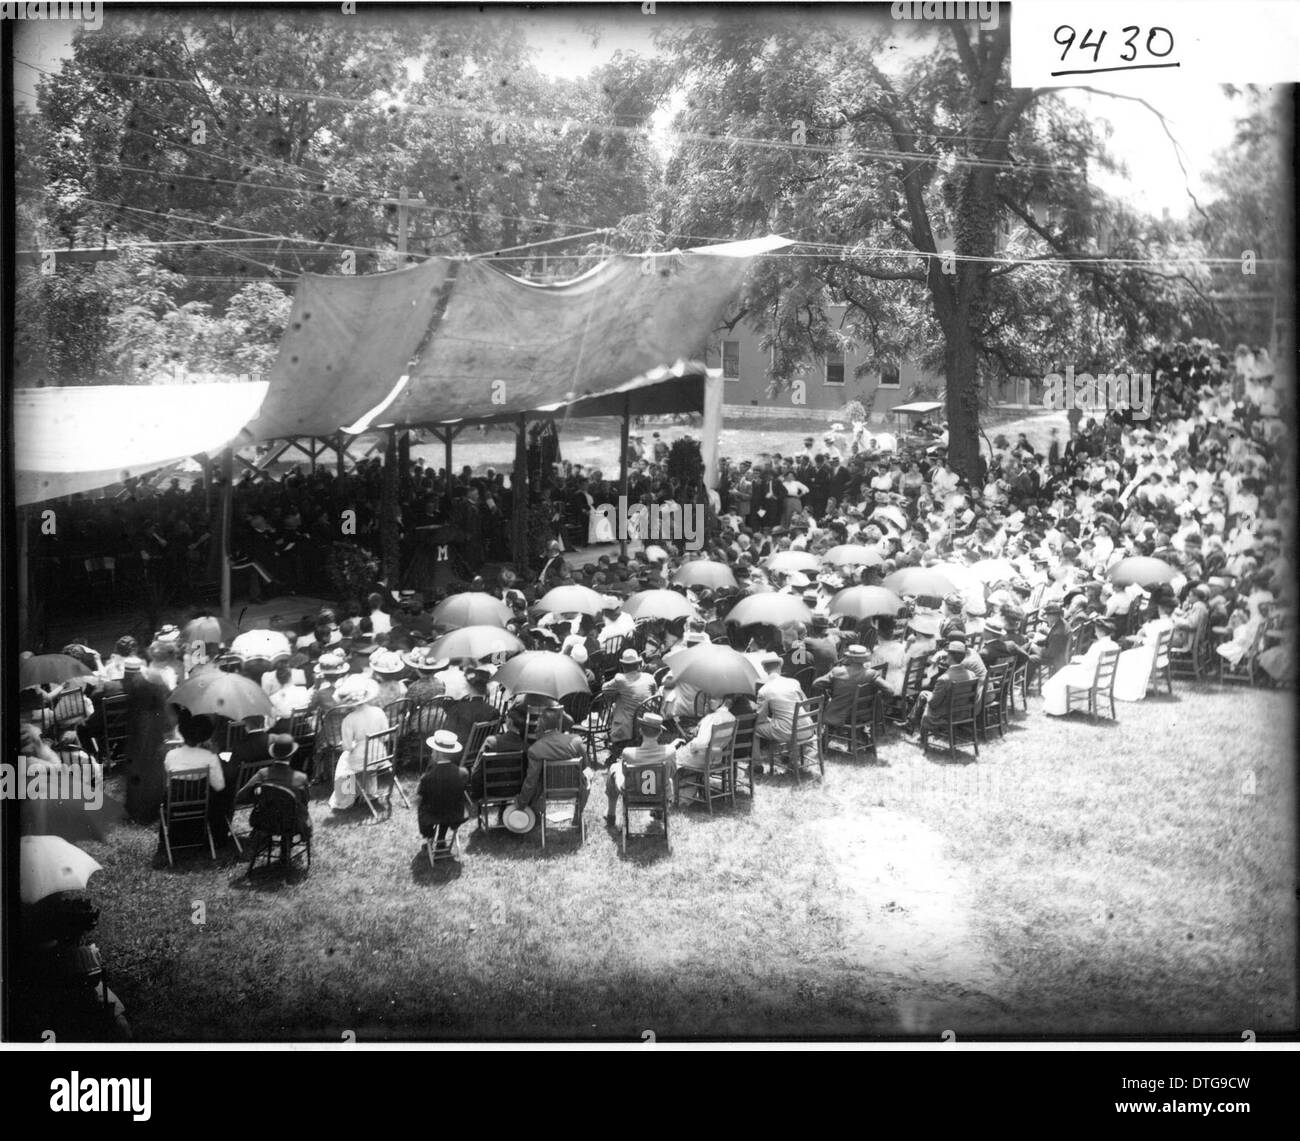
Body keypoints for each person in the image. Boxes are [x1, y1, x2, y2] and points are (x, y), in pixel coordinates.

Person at [233, 734, 311, 851]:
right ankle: (286, 844)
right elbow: (305, 801)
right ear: (291, 755)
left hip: (264, 822)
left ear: (273, 754)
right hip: (292, 824)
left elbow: (241, 796)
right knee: (296, 812)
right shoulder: (300, 778)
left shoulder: (262, 774)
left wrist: (258, 797)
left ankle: (264, 836)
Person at [513, 706, 589, 823]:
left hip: (547, 793)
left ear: (542, 727)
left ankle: (537, 817)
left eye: (537, 725)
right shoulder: (576, 741)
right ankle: (577, 816)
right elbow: (585, 765)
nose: (536, 728)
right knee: (588, 777)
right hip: (576, 790)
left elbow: (531, 781)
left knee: (535, 782)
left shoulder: (535, 749)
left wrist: (521, 803)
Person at [163, 713, 228, 842]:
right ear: (204, 735)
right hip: (203, 807)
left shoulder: (171, 755)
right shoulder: (210, 757)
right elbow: (219, 786)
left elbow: (167, 783)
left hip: (174, 806)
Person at [327, 676, 389, 811]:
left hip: (363, 759)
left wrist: (353, 744)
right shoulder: (379, 712)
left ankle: (343, 799)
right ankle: (369, 791)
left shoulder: (349, 720)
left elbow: (347, 747)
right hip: (381, 755)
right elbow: (386, 737)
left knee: (343, 764)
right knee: (359, 758)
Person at [605, 711, 674, 830]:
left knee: (614, 768)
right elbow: (672, 773)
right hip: (660, 795)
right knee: (666, 780)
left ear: (640, 731)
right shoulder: (670, 752)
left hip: (632, 795)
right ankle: (658, 810)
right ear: (660, 732)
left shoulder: (628, 753)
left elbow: (624, 773)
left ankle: (610, 813)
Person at [1042, 619, 1121, 716]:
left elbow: (1088, 664)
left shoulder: (1097, 646)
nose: (1095, 633)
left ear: (1101, 632)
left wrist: (1078, 659)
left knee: (1064, 673)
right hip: (1103, 676)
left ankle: (1056, 708)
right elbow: (1093, 661)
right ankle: (1069, 705)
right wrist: (1080, 659)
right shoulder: (1114, 645)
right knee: (1066, 671)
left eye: (1096, 630)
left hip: (1092, 677)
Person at [416, 730, 471, 856]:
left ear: (438, 753)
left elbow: (419, 799)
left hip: (432, 816)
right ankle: (441, 838)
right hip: (455, 815)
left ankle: (429, 838)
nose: (431, 753)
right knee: (447, 802)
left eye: (433, 750)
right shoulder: (463, 774)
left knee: (423, 808)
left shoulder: (427, 778)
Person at [813, 644, 889, 727]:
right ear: (864, 659)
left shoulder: (837, 672)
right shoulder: (871, 674)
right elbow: (890, 690)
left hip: (839, 716)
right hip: (864, 715)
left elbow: (816, 683)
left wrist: (832, 686)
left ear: (849, 658)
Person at [601, 649, 656, 762]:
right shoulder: (649, 678)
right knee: (622, 698)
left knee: (617, 701)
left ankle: (615, 748)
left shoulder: (620, 679)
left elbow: (604, 689)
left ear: (623, 665)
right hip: (646, 721)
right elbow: (656, 695)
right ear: (638, 664)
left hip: (628, 725)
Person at [754, 652, 808, 764]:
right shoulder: (794, 682)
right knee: (784, 720)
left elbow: (760, 718)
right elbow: (806, 704)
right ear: (780, 666)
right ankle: (788, 755)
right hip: (807, 727)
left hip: (789, 731)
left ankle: (756, 764)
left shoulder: (764, 690)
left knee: (755, 729)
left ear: (764, 669)